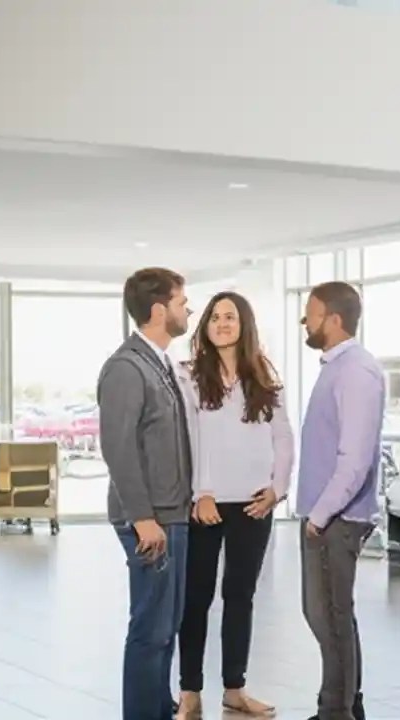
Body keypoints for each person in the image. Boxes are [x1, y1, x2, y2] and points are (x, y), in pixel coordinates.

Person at [174, 291, 294, 719]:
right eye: (215, 316)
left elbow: (283, 438)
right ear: (205, 326)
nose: (223, 323)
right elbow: (189, 439)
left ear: (244, 324)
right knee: (196, 599)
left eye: (231, 316)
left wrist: (277, 489)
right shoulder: (187, 376)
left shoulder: (264, 378)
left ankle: (234, 689)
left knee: (240, 596)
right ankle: (189, 692)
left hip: (254, 504)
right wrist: (199, 492)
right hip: (205, 504)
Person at [98, 267, 193, 720]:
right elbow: (118, 448)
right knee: (150, 629)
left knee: (166, 628)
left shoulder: (160, 362)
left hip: (171, 514)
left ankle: (160, 710)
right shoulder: (125, 367)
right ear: (160, 310)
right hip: (149, 518)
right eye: (181, 301)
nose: (187, 308)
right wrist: (142, 517)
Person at [296, 281, 385, 720]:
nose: (304, 322)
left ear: (333, 319)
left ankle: (336, 713)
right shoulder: (337, 366)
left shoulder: (355, 371)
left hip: (337, 519)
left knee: (329, 618)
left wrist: (319, 516)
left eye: (310, 314)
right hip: (328, 516)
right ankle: (346, 706)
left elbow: (355, 458)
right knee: (332, 618)